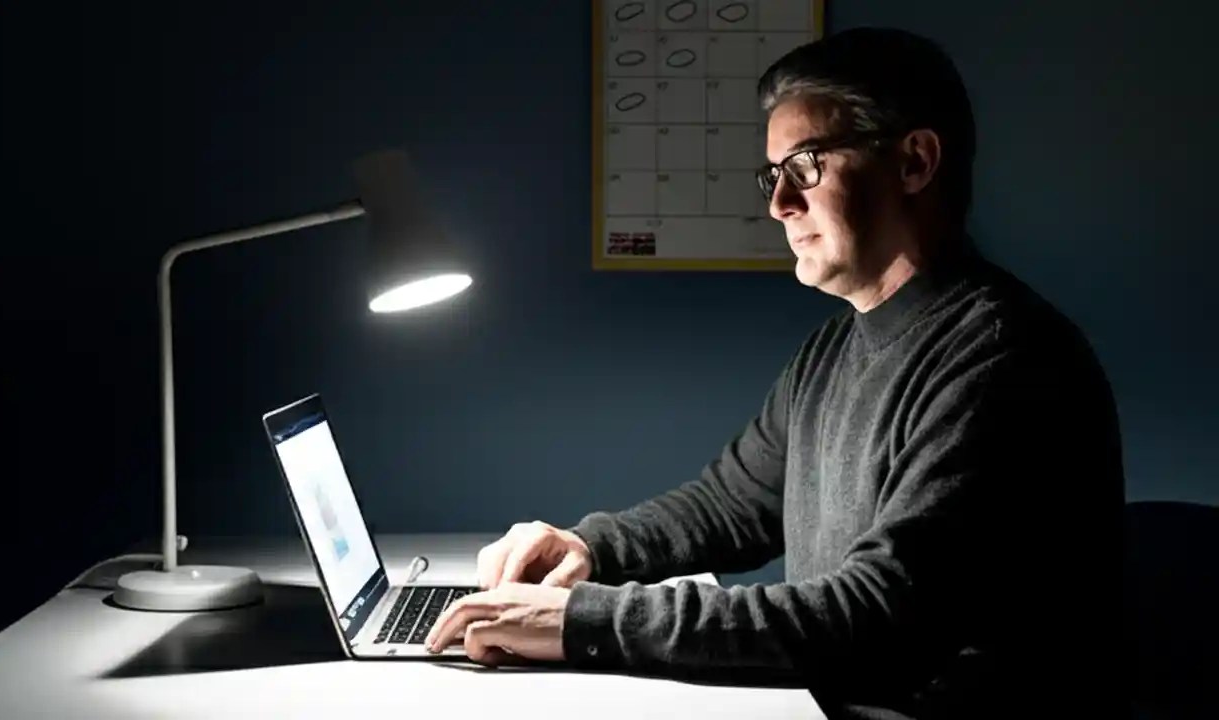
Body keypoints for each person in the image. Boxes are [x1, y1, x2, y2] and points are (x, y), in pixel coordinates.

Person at [425, 27, 1127, 720]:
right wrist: (587, 547)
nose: (779, 204)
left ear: (914, 162)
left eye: (806, 165)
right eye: (773, 175)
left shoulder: (1005, 360)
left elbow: (875, 614)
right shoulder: (833, 351)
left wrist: (588, 621)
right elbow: (730, 506)